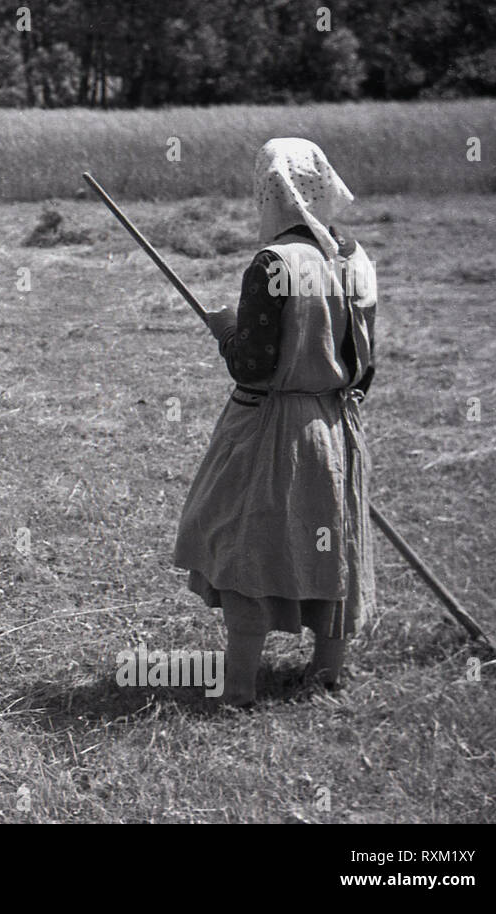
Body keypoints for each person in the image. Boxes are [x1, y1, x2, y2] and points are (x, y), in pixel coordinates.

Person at [173, 138, 378, 708]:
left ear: (273, 191)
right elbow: (365, 369)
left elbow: (254, 364)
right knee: (332, 543)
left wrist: (226, 330)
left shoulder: (274, 265)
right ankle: (327, 675)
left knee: (250, 544)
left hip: (274, 429)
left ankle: (238, 688)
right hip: (336, 427)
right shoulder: (355, 257)